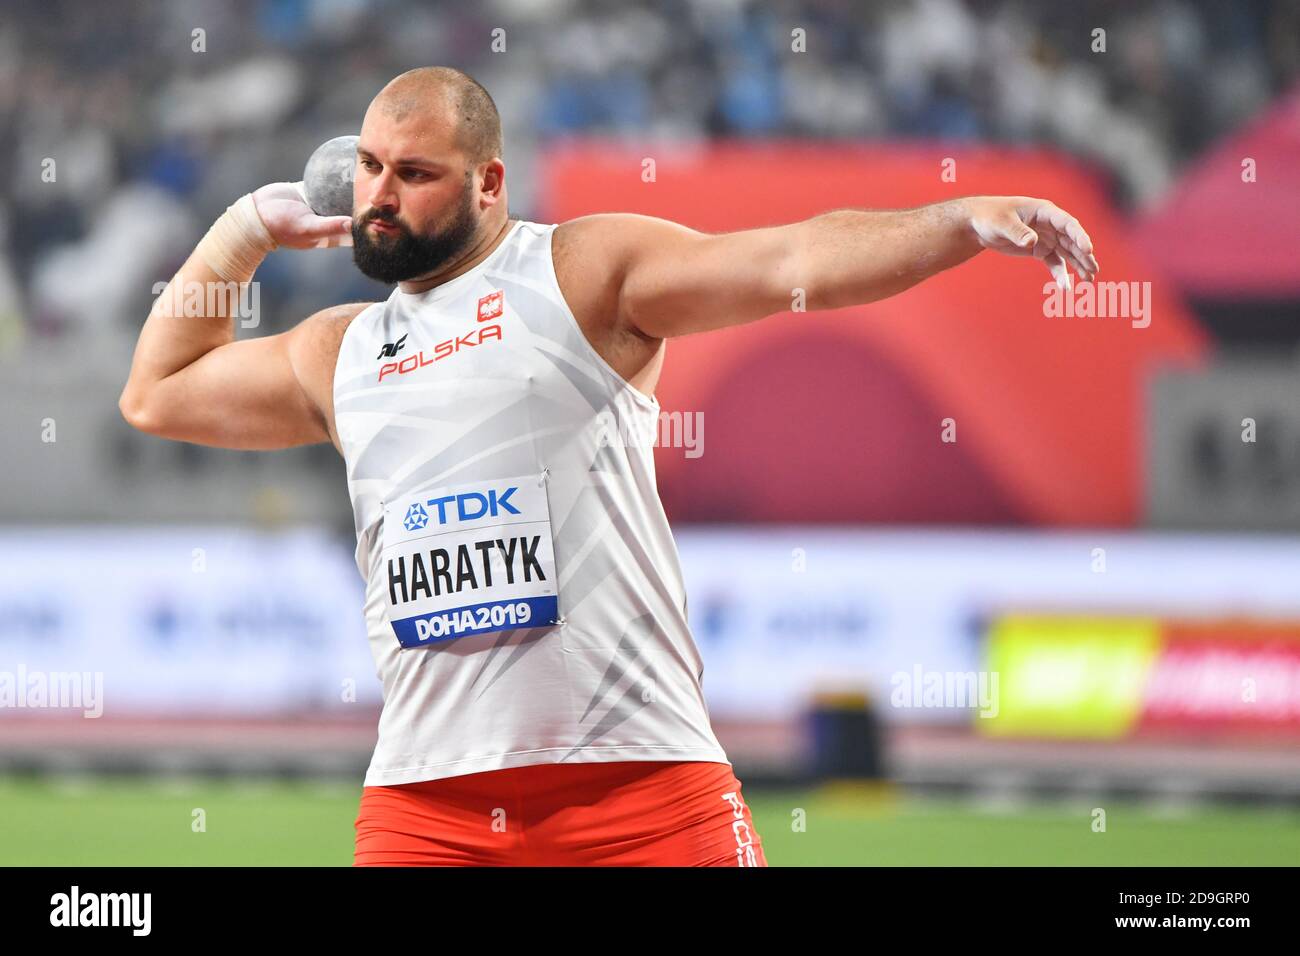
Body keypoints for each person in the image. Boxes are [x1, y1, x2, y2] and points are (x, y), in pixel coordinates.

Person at [119, 66, 1098, 867]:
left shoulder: (580, 274)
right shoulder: (340, 349)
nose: (379, 194)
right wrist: (250, 223)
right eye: (370, 166)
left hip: (644, 791)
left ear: (489, 183)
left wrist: (959, 221)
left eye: (413, 172)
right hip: (428, 810)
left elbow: (788, 257)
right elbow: (156, 391)